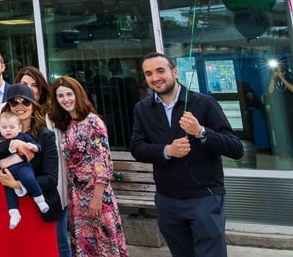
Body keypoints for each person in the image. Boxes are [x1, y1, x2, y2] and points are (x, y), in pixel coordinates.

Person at [130, 52, 242, 257]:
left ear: (175, 72)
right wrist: (166, 150)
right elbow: (137, 147)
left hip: (204, 198)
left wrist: (201, 132)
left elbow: (236, 148)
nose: (155, 77)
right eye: (148, 73)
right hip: (167, 200)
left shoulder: (204, 103)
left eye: (160, 70)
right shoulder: (142, 109)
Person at [0, 84, 61, 257]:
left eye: (25, 102)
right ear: (8, 106)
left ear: (33, 105)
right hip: (4, 203)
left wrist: (18, 185)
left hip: (36, 204)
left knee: (38, 251)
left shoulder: (45, 135)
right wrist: (12, 145)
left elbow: (51, 178)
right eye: (14, 102)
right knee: (8, 250)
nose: (20, 106)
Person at [50, 76, 128, 257]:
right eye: (60, 96)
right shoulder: (66, 125)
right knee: (85, 244)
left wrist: (97, 197)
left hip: (96, 192)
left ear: (78, 94)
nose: (66, 99)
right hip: (76, 195)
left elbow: (103, 160)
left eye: (69, 94)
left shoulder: (93, 121)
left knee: (104, 242)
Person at [16, 66, 71, 257]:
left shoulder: (53, 114)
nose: (30, 89)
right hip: (22, 190)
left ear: (41, 89)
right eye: (24, 85)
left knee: (59, 239)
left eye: (34, 85)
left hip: (53, 186)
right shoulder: (12, 114)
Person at [0, 112, 49, 228]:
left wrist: (34, 147)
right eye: (4, 127)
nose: (8, 130)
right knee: (9, 192)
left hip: (22, 167)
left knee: (29, 179)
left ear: (19, 128)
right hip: (7, 171)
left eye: (12, 127)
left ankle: (40, 200)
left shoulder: (23, 136)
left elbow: (37, 146)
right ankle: (14, 213)